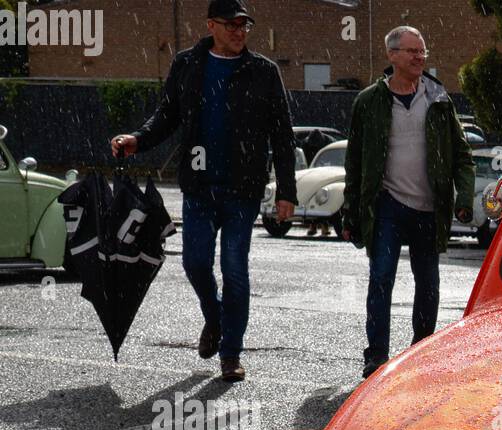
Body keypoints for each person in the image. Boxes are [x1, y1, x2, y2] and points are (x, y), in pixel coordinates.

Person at [110, 0, 296, 382]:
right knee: (195, 263)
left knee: (234, 269)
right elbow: (167, 116)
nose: (239, 32)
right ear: (211, 25)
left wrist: (286, 192)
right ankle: (214, 317)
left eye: (244, 25)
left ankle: (231, 353)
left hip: (243, 188)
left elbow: (282, 134)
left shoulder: (263, 71)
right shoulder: (188, 64)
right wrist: (137, 140)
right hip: (198, 186)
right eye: (231, 25)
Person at [342, 25, 475, 378]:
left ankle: (420, 351)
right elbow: (355, 161)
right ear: (392, 55)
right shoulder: (369, 102)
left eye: (422, 51)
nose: (419, 57)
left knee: (428, 284)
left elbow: (462, 155)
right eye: (412, 51)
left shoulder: (439, 99)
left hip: (429, 208)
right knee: (381, 277)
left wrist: (463, 197)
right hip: (386, 204)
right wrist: (350, 212)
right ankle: (376, 356)